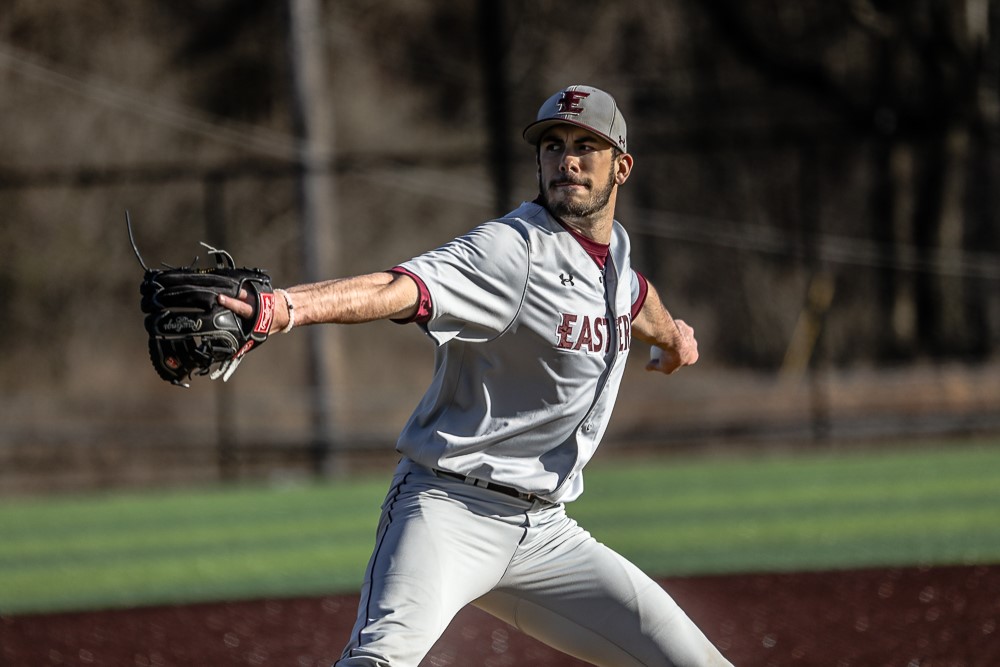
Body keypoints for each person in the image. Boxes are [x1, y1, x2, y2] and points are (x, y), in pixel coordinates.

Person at [221, 84, 733, 667]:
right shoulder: (511, 251)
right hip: (448, 510)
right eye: (553, 146)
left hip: (546, 533)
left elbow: (636, 298)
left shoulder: (614, 253)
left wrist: (673, 339)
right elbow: (401, 287)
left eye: (586, 146)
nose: (567, 159)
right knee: (379, 661)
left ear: (622, 166)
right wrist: (286, 308)